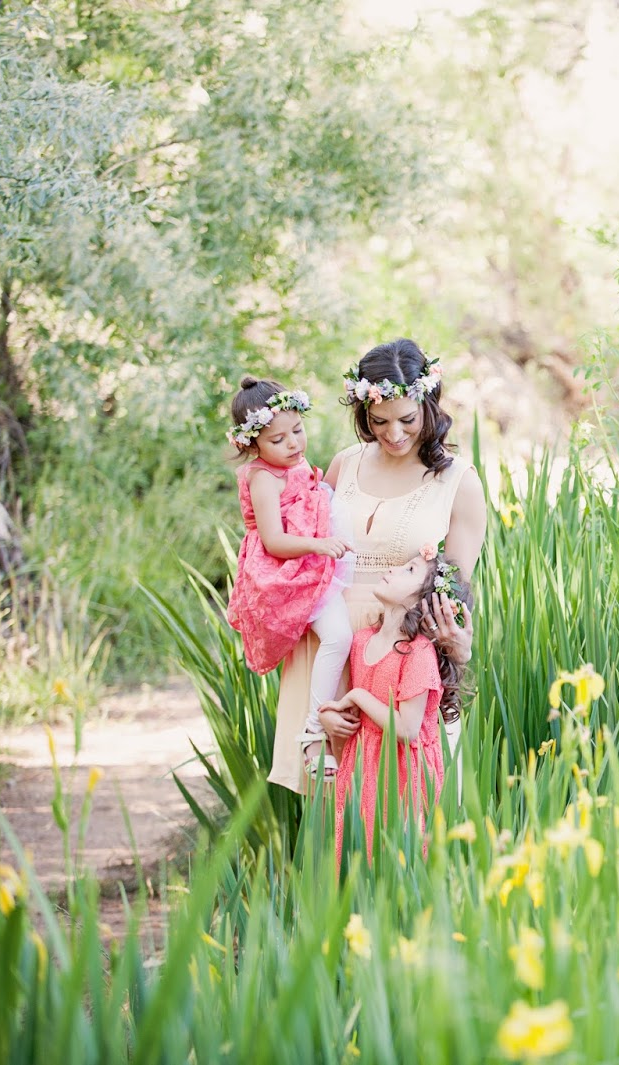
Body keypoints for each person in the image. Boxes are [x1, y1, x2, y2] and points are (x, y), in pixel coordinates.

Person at [266, 339, 486, 794]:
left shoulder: (457, 481)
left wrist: (457, 646)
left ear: (428, 404)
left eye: (407, 419)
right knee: (329, 798)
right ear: (363, 411)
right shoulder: (344, 463)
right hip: (327, 639)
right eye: (379, 421)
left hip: (395, 649)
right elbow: (303, 539)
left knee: (395, 796)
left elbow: (453, 586)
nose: (394, 434)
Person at [223, 378, 353, 766]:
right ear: (252, 444)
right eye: (278, 439)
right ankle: (314, 731)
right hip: (284, 573)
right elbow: (274, 540)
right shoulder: (263, 478)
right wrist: (319, 545)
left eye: (297, 430)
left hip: (312, 562)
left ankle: (324, 723)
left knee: (344, 635)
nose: (293, 444)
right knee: (338, 636)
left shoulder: (296, 465)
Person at [319, 545, 471, 859]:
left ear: (424, 601)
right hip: (363, 766)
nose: (393, 569)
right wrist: (330, 718)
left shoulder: (418, 653)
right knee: (359, 855)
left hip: (403, 774)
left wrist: (358, 696)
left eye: (409, 570)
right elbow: (350, 711)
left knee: (398, 858)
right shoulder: (362, 639)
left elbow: (407, 728)